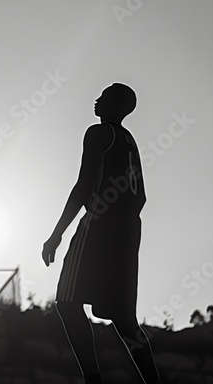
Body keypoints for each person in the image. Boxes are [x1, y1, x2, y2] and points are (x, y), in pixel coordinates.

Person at [41, 83, 161, 384]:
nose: (96, 99)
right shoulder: (129, 141)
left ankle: (92, 380)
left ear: (115, 104)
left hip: (100, 223)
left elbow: (83, 185)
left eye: (104, 96)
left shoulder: (98, 133)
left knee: (68, 302)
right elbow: (143, 196)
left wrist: (56, 234)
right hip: (129, 230)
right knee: (123, 318)